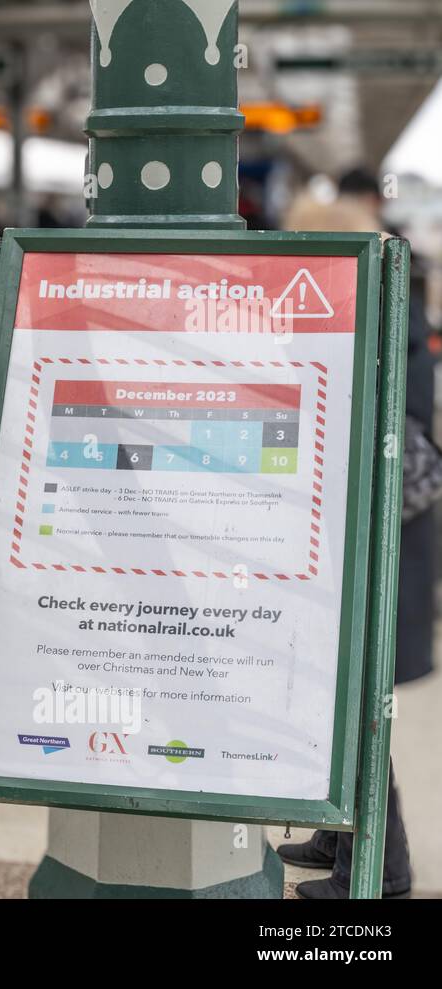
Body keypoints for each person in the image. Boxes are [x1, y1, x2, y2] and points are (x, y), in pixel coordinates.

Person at [276, 171, 434, 898]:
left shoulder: (374, 330)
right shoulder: (382, 314)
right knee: (335, 695)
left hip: (376, 550)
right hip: (363, 543)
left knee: (359, 702)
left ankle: (381, 871)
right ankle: (339, 836)